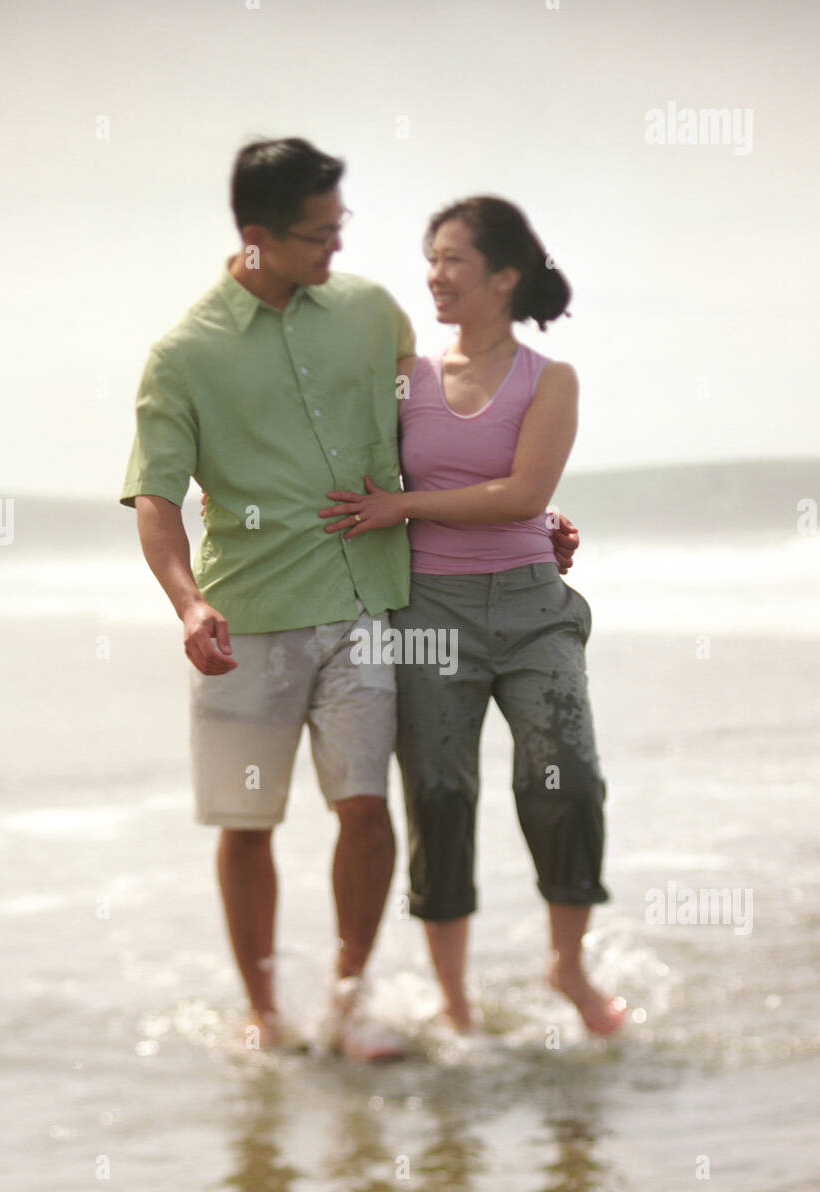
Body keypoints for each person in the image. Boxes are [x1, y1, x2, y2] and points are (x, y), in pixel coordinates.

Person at [120, 140, 578, 1057]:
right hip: (246, 621)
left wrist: (525, 516)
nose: (339, 247)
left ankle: (346, 999)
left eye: (342, 227)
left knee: (365, 810)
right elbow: (156, 498)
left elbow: (441, 423)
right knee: (248, 826)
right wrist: (187, 604)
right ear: (256, 238)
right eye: (318, 233)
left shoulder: (370, 313)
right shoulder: (184, 356)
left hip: (368, 611)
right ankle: (264, 1012)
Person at [319, 196, 625, 1037]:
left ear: (504, 275)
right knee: (441, 797)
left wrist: (406, 506)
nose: (435, 275)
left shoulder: (548, 380)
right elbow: (342, 465)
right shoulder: (405, 380)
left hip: (532, 608)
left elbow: (527, 495)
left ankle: (567, 965)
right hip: (428, 613)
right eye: (432, 258)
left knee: (564, 777)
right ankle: (455, 1006)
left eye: (455, 259)